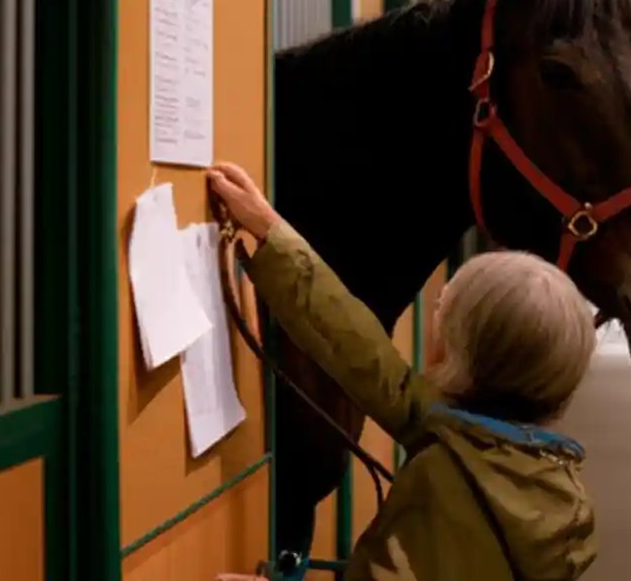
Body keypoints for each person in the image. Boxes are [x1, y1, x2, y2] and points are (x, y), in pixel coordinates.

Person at [207, 161, 599, 581]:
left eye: (445, 316)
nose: (437, 310)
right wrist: (272, 233)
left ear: (458, 357)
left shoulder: (446, 476)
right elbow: (358, 348)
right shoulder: (546, 480)